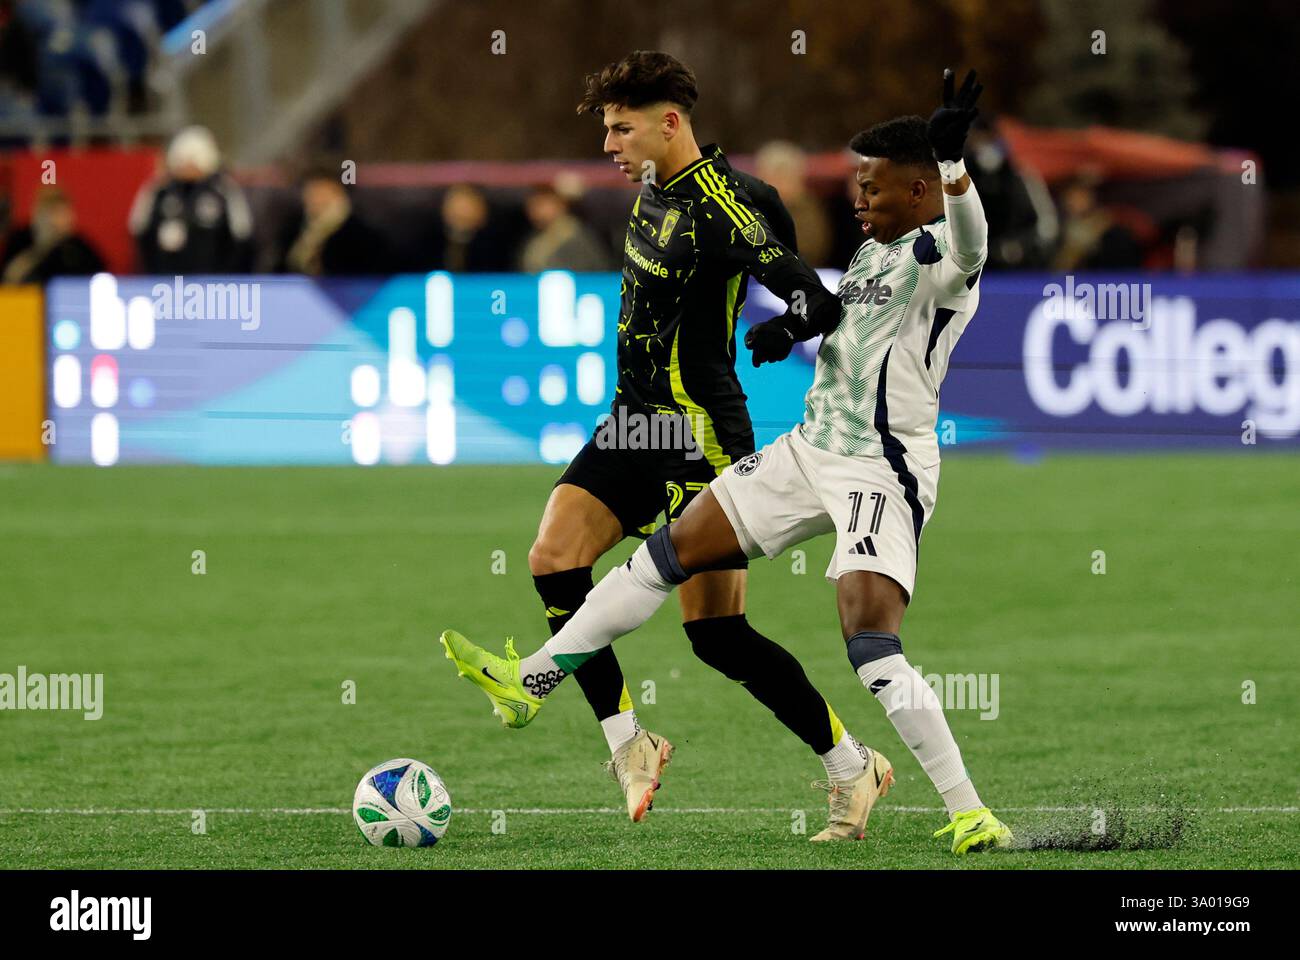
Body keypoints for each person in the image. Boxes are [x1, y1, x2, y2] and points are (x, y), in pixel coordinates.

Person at [443, 69, 1016, 856]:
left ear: (920, 191)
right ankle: (537, 680)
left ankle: (967, 807)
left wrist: (955, 168)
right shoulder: (870, 255)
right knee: (660, 560)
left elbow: (972, 241)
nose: (856, 198)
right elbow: (841, 321)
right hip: (803, 450)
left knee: (865, 645)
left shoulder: (942, 259)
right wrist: (795, 331)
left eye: (873, 187)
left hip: (876, 471)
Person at [128, 126, 253, 274]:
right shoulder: (159, 190)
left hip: (215, 282)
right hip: (164, 281)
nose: (188, 166)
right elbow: (138, 228)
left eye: (194, 160)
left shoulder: (224, 191)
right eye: (184, 160)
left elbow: (242, 233)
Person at [280, 165, 391, 275]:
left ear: (342, 195)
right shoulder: (293, 229)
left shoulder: (362, 235)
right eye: (312, 192)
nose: (317, 199)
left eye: (324, 192)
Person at [1, 187, 104, 284]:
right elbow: (7, 277)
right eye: (51, 211)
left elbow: (97, 279)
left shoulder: (79, 248)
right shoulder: (20, 241)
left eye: (62, 212)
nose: (55, 220)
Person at [518, 183, 611, 272]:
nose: (536, 211)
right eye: (532, 204)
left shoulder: (578, 237)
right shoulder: (534, 240)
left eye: (541, 204)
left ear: (561, 204)